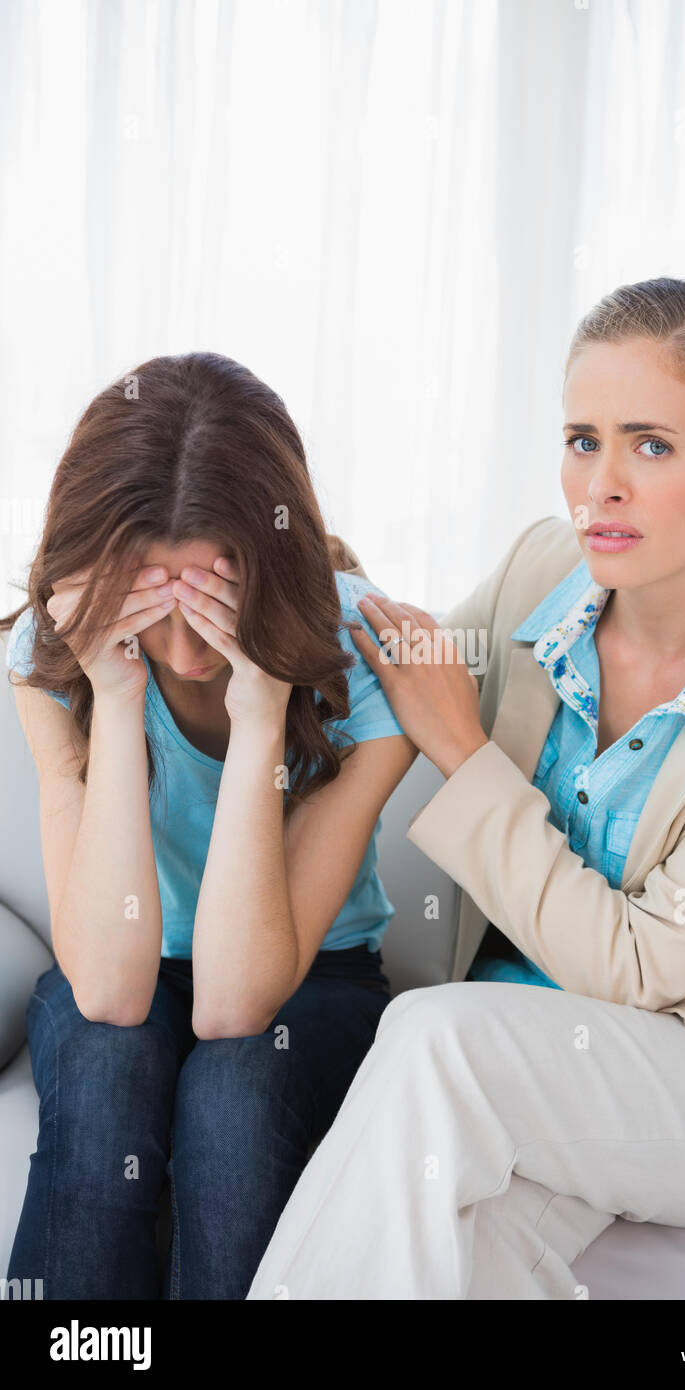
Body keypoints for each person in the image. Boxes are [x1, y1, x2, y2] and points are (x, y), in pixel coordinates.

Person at [245, 277, 685, 1301]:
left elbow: (638, 967)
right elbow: (380, 668)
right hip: (552, 1055)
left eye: (650, 445)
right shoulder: (545, 565)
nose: (599, 485)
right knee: (451, 1246)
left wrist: (464, 752)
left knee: (435, 1039)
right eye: (582, 438)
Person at [2, 351, 415, 1299]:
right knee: (104, 1062)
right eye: (152, 600)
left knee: (239, 1084)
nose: (188, 651)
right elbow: (107, 990)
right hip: (125, 967)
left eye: (216, 600)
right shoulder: (54, 648)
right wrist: (112, 691)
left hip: (307, 978)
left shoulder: (365, 655)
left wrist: (265, 703)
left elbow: (236, 1007)